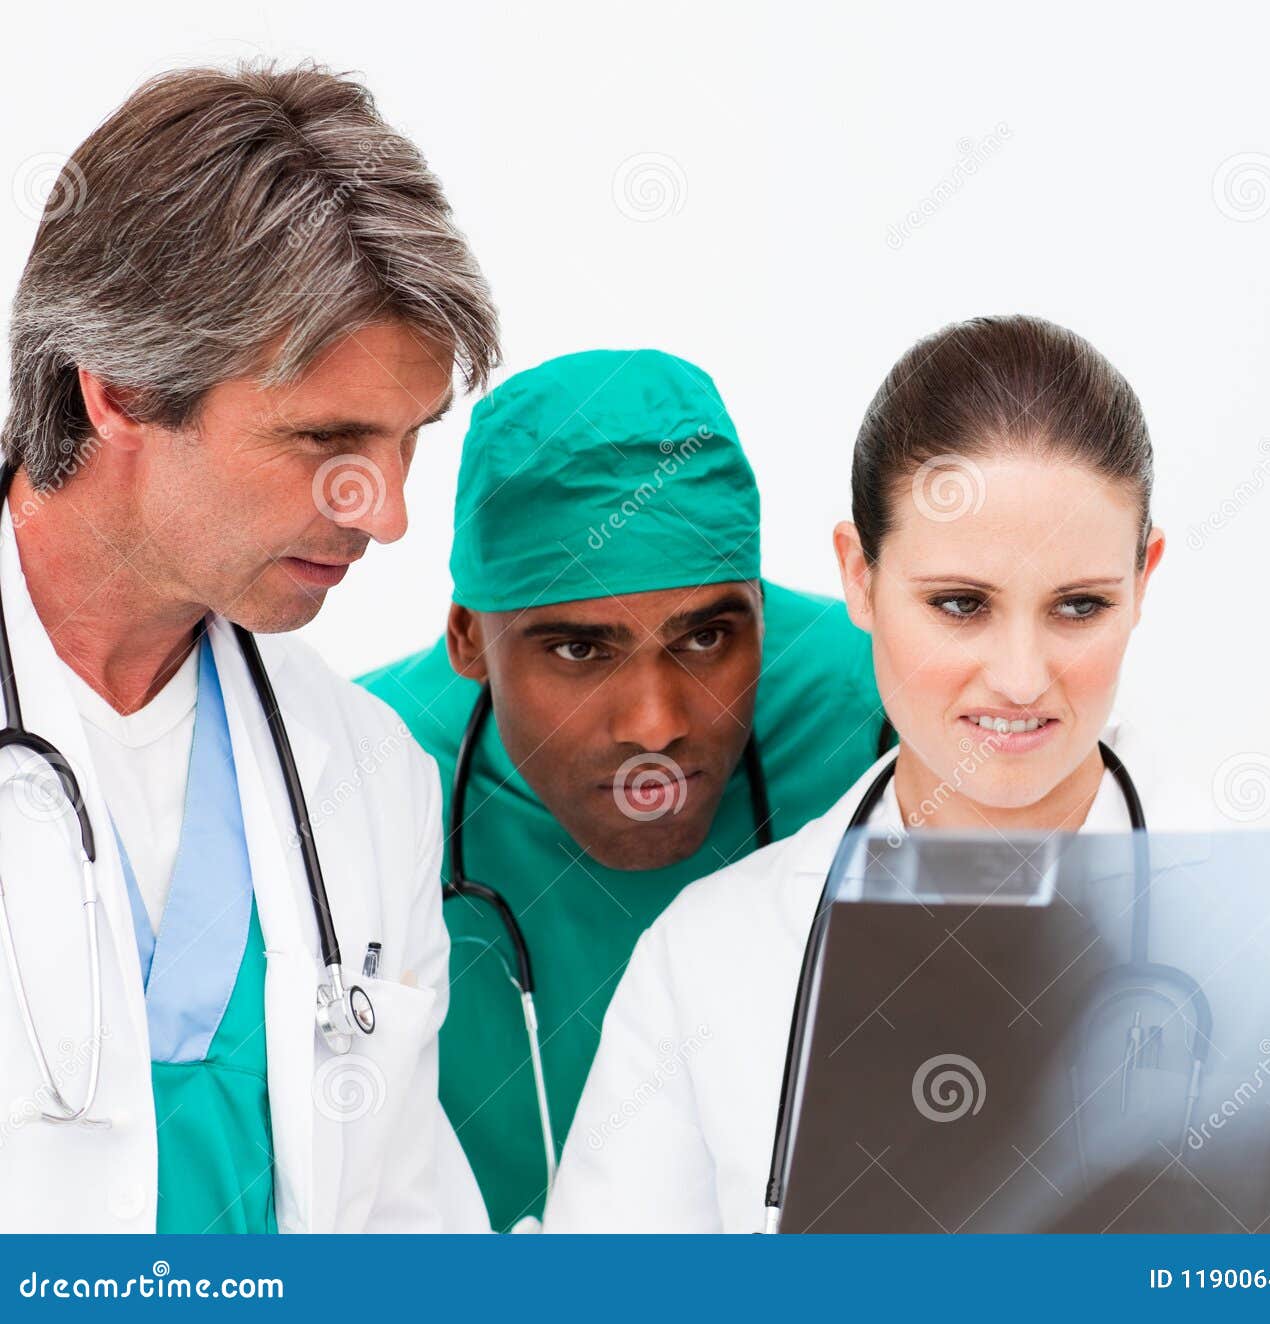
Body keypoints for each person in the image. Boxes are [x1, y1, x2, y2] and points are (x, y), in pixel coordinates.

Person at [544, 314, 1201, 1232]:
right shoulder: (708, 959)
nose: (1019, 675)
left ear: (1145, 580)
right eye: (960, 605)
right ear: (859, 576)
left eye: (1079, 606)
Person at [0, 62, 500, 1233]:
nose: (386, 512)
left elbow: (401, 1233)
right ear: (118, 388)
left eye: (407, 438)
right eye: (324, 437)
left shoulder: (370, 774)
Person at [358, 348, 890, 1231]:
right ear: (466, 640)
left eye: (708, 638)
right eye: (578, 650)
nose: (654, 724)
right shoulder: (351, 772)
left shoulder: (880, 707)